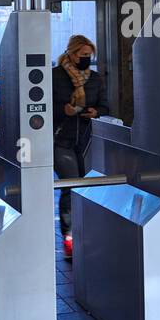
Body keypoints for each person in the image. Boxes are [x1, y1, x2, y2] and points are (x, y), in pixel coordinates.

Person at [52, 34, 108, 260]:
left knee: (86, 187)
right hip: (60, 140)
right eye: (84, 55)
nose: (87, 59)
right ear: (72, 54)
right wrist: (62, 111)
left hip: (86, 142)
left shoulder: (95, 79)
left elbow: (105, 106)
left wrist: (97, 112)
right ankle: (70, 238)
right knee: (71, 184)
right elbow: (41, 107)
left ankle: (86, 235)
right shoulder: (54, 76)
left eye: (90, 55)